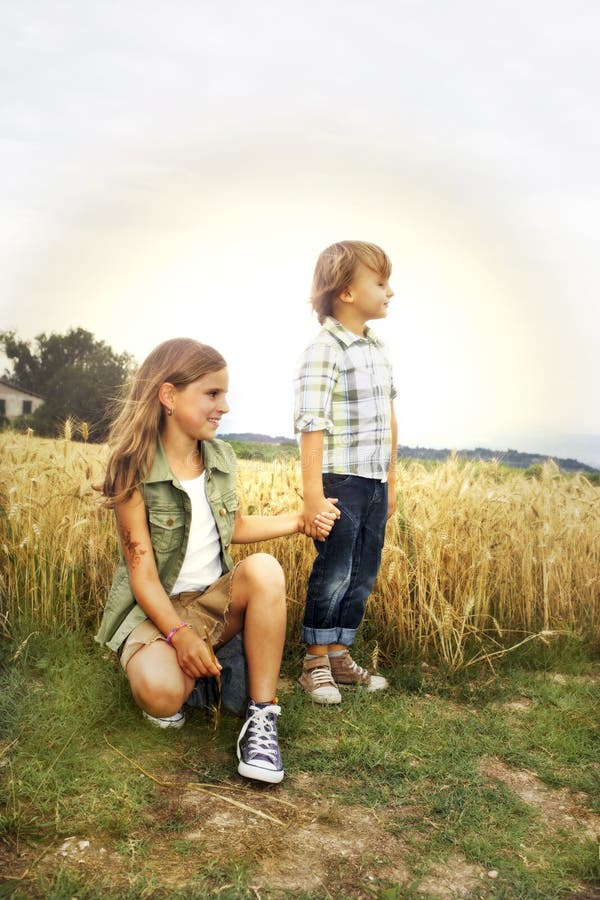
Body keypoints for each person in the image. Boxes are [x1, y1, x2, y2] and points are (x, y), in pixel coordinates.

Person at [95, 337, 336, 784]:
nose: (224, 405)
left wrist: (298, 521)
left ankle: (262, 719)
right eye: (212, 393)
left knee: (265, 569)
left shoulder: (221, 457)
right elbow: (143, 576)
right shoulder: (133, 468)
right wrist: (179, 634)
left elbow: (234, 526)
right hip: (156, 610)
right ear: (168, 395)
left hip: (213, 603)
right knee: (162, 694)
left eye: (224, 394)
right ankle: (191, 678)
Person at [294, 241, 398, 704]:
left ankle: (339, 653)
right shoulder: (325, 349)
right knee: (335, 569)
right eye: (380, 281)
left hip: (373, 480)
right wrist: (313, 495)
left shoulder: (377, 348)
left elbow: (391, 420)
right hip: (340, 479)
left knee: (364, 571)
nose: (390, 291)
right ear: (347, 292)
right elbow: (311, 423)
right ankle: (314, 662)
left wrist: (391, 483)